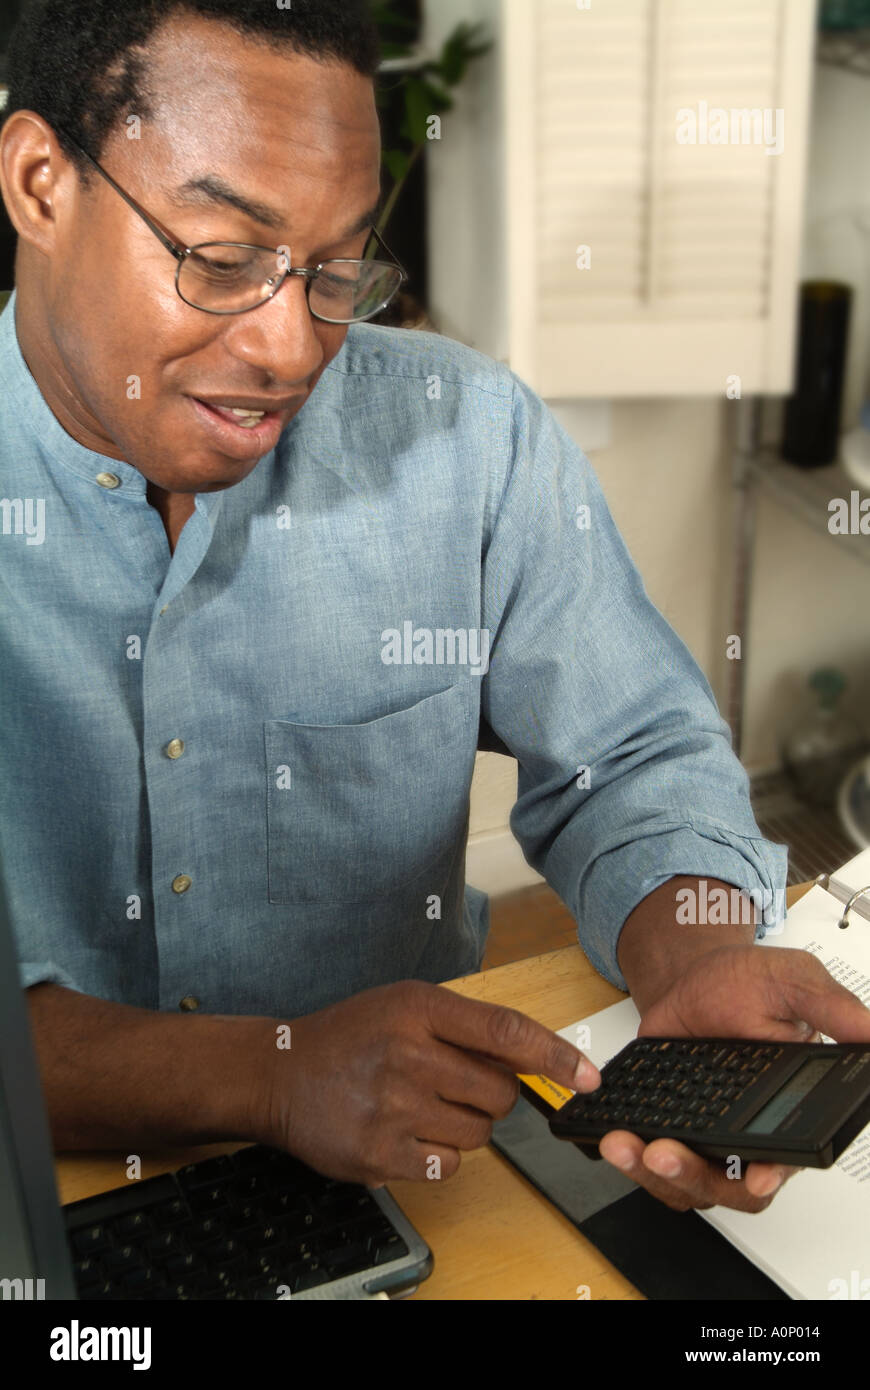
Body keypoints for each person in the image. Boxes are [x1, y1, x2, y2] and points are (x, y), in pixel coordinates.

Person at [1, 0, 867, 1222]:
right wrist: (273, 1071)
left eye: (338, 268)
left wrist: (700, 945)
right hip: (48, 1206)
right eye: (225, 257)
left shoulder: (467, 439)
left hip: (420, 1188)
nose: (292, 346)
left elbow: (633, 750)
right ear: (40, 182)